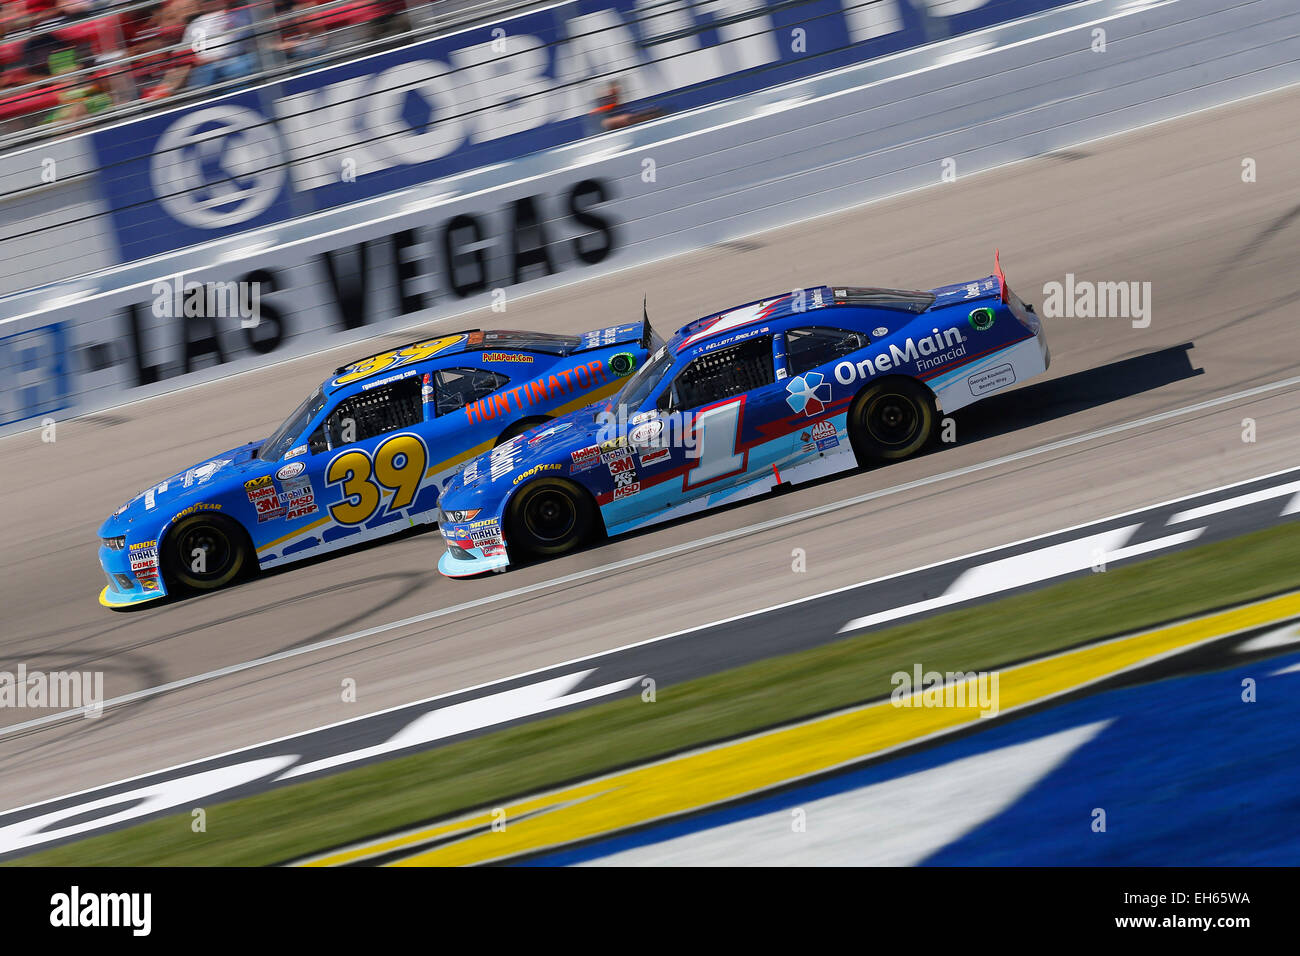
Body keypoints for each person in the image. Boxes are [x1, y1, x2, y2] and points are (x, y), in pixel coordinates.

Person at [184, 0, 256, 88]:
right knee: (202, 76)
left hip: (234, 59)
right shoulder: (195, 24)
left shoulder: (235, 15)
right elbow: (190, 52)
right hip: (206, 66)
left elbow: (242, 42)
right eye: (205, 1)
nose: (210, 3)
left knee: (238, 67)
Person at [589, 79, 662, 132]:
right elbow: (608, 123)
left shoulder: (621, 107)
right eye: (610, 96)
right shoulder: (599, 115)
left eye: (616, 94)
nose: (615, 97)